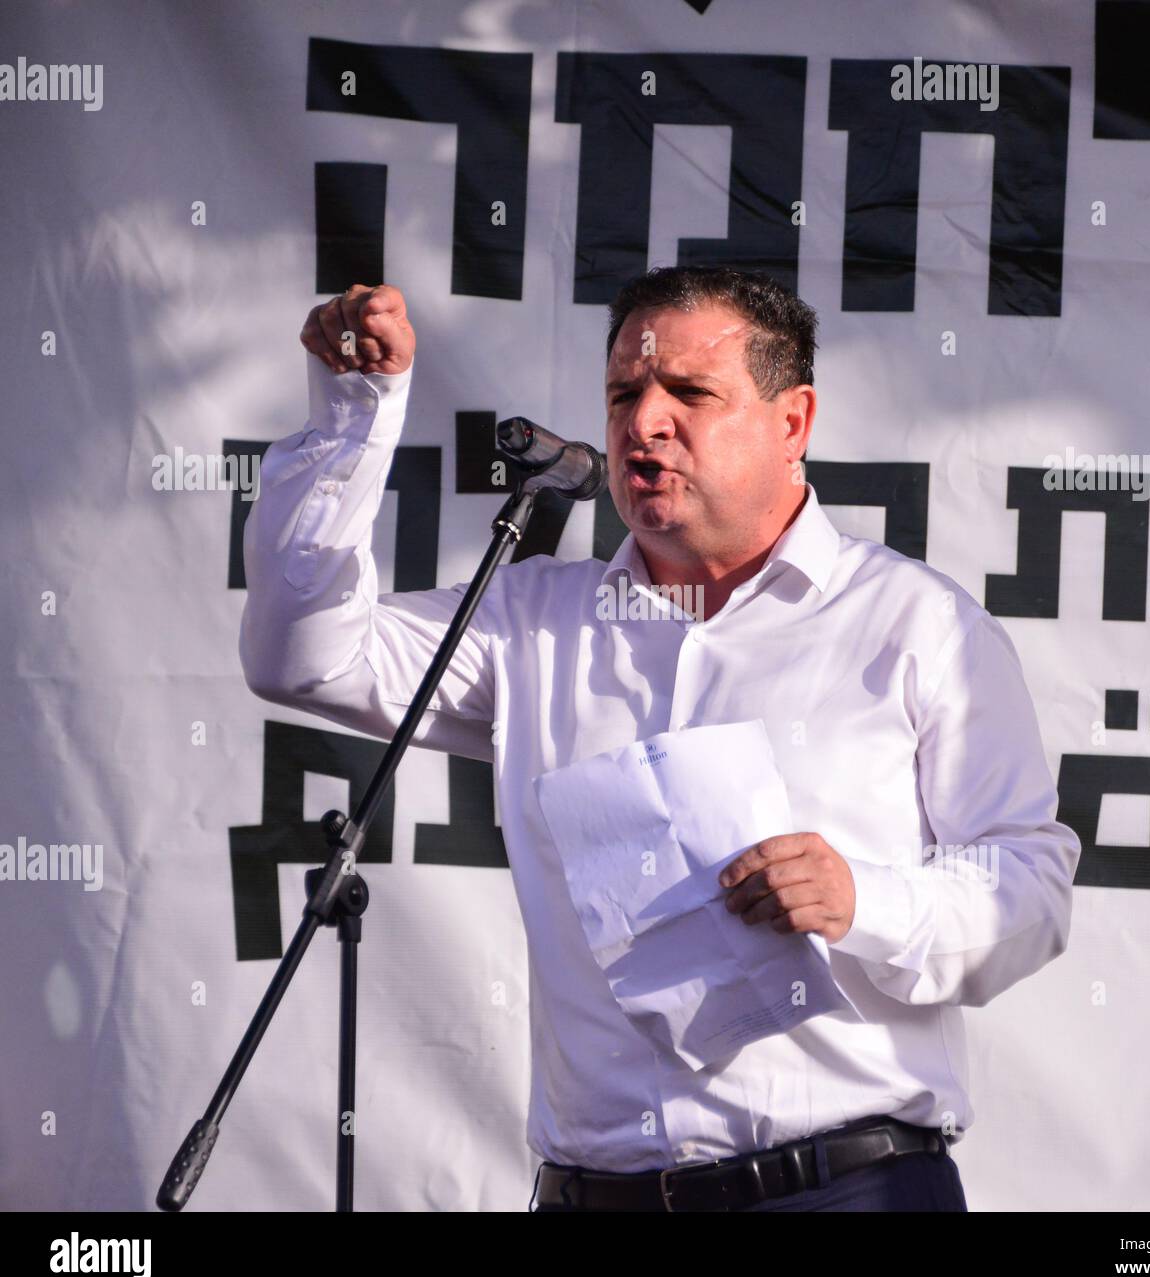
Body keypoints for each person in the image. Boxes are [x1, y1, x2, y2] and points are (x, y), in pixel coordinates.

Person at [240, 265, 1080, 1212]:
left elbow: (1032, 890)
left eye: (689, 393)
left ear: (792, 422)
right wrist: (357, 414)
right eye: (624, 394)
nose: (644, 423)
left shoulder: (915, 625)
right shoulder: (530, 625)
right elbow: (301, 655)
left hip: (844, 1191)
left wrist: (861, 899)